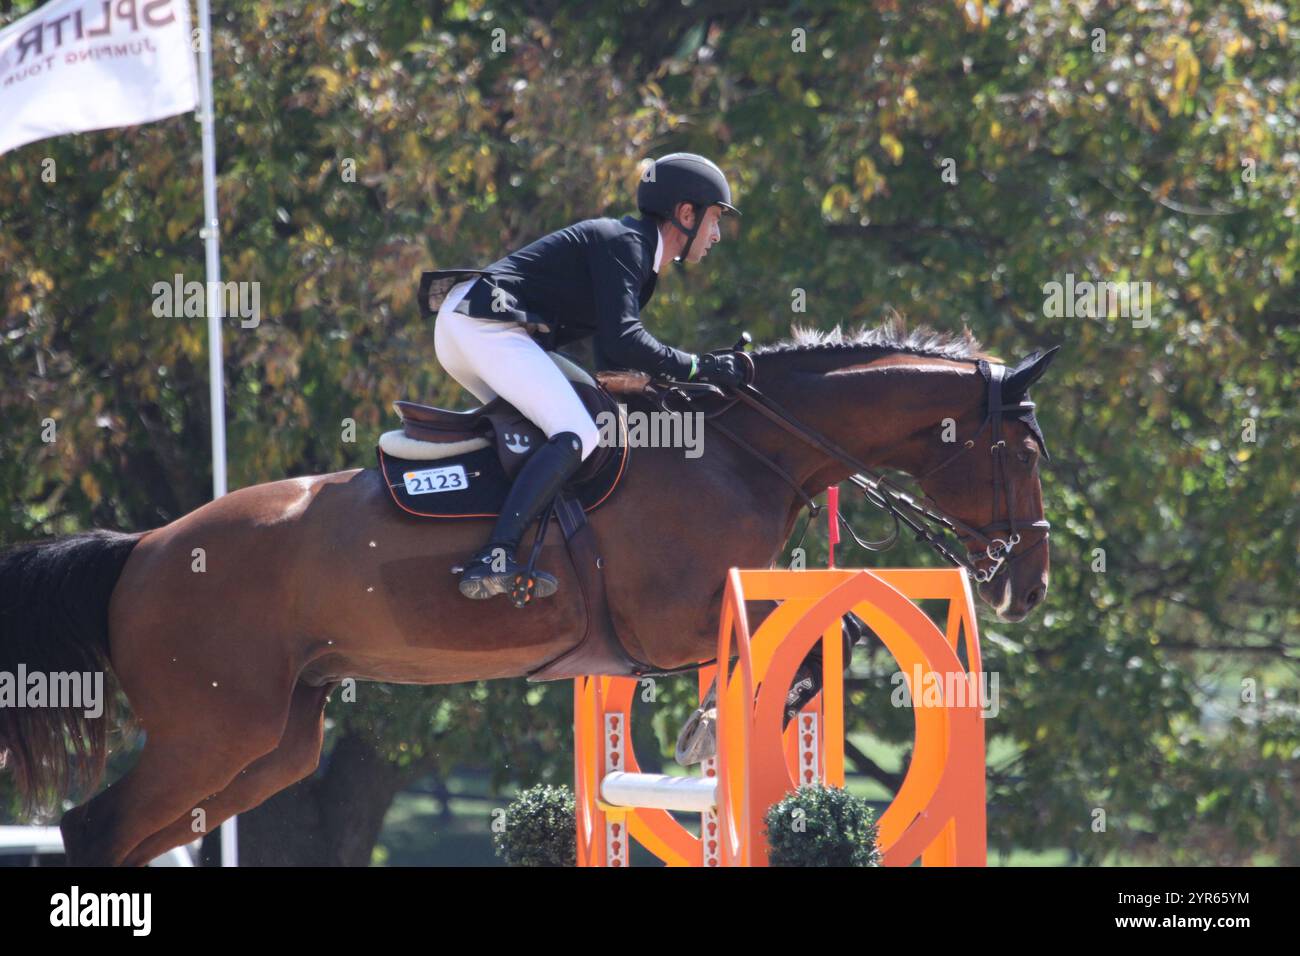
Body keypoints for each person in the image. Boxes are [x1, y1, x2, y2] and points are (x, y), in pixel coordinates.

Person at [429, 152, 746, 601]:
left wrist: (684, 387)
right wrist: (699, 366)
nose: (716, 235)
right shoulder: (627, 244)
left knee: (550, 433)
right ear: (686, 213)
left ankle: (499, 537)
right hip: (482, 323)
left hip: (468, 326)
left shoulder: (638, 258)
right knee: (579, 430)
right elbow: (624, 340)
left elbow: (612, 365)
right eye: (715, 219)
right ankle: (493, 556)